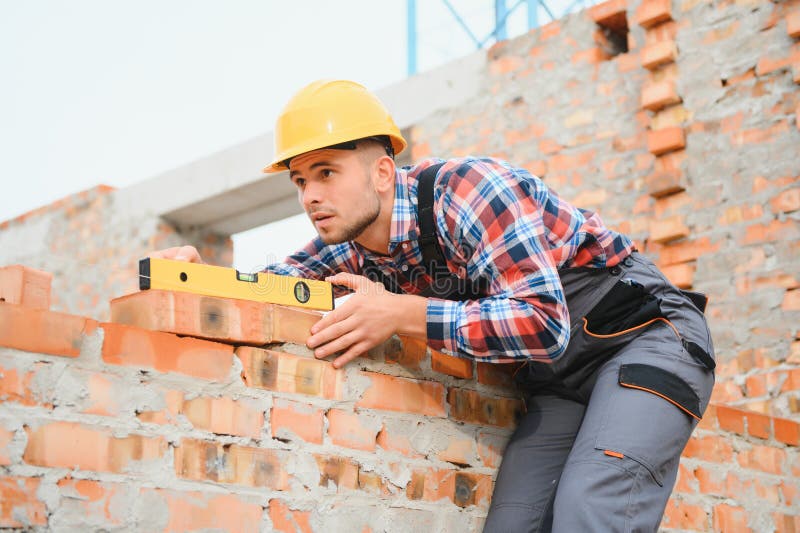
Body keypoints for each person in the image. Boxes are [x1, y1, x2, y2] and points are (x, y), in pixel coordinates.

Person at [152, 79, 715, 532]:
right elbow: (266, 287)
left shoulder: (473, 192)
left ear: (380, 172)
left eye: (327, 172)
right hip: (558, 382)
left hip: (648, 339)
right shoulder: (347, 244)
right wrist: (194, 275)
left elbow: (543, 322)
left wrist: (401, 314)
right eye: (300, 181)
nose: (311, 196)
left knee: (591, 510)